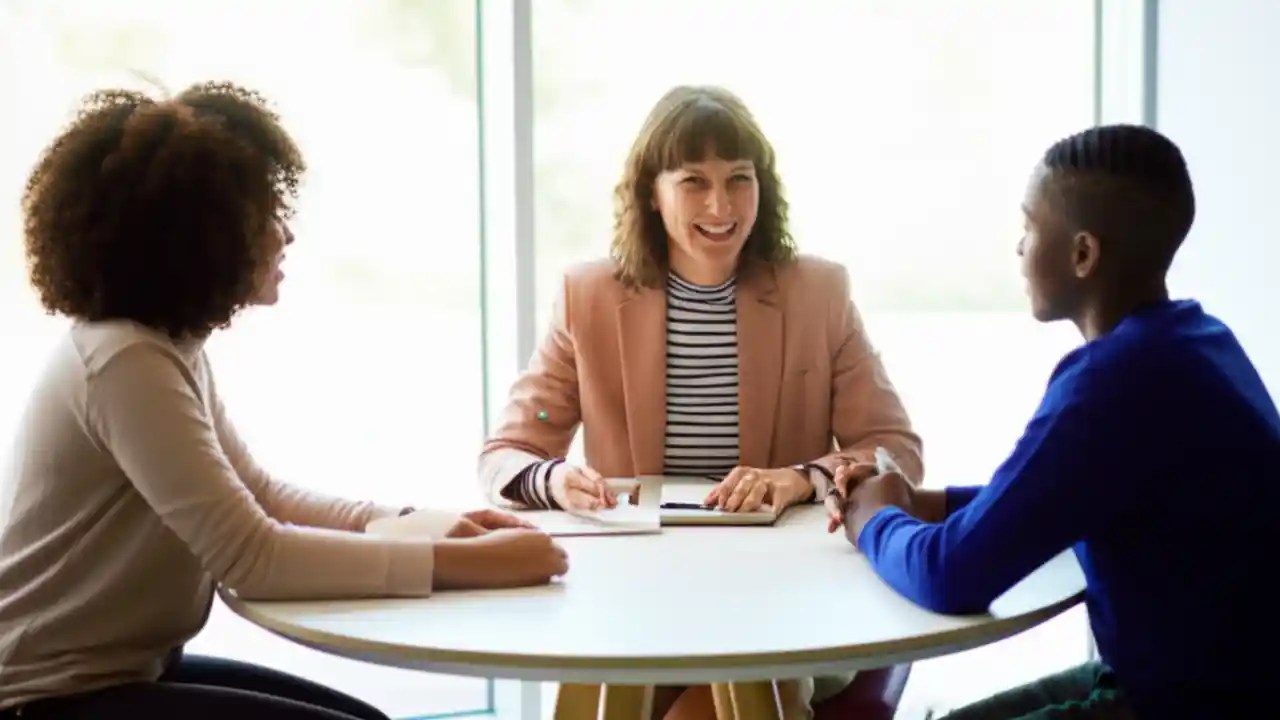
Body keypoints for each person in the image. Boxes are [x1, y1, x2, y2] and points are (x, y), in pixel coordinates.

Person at [0, 81, 569, 720]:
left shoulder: (165, 347)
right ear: (199, 236)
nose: (286, 235)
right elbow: (254, 557)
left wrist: (426, 522)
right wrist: (467, 565)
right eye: (265, 215)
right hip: (49, 698)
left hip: (126, 673)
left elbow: (262, 496)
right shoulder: (123, 362)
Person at [479, 85, 923, 719]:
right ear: (651, 196)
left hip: (789, 600)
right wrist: (554, 479)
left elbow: (895, 452)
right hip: (640, 597)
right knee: (609, 690)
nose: (721, 205)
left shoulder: (818, 293)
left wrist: (799, 479)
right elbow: (505, 456)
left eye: (739, 179)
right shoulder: (589, 297)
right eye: (694, 181)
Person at [834, 124, 1277, 719]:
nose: (1019, 249)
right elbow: (1059, 499)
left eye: (1028, 227)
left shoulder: (1114, 383)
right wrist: (924, 503)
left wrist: (873, 520)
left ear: (1082, 254)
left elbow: (950, 575)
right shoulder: (1197, 341)